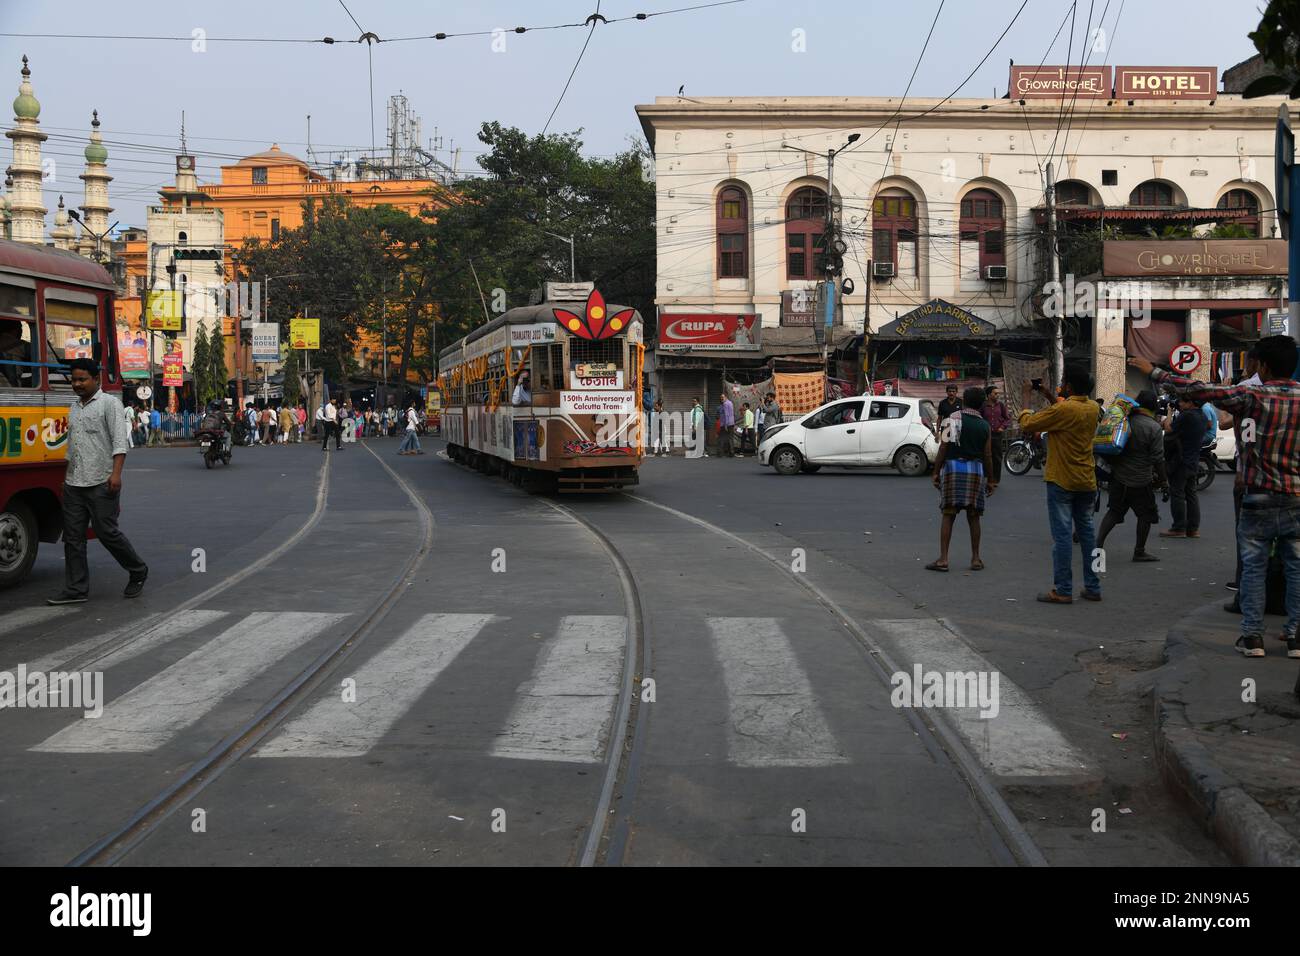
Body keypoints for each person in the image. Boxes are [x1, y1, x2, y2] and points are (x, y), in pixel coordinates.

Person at [1130, 338, 1300, 659]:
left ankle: (1252, 638)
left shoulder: (1251, 395)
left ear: (1262, 366)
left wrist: (1156, 373)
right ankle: (1294, 639)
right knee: (1295, 566)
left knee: (1253, 567)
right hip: (1296, 497)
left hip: (1257, 495)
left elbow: (1201, 390)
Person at [46, 359, 148, 604]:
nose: (78, 384)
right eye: (75, 380)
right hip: (74, 483)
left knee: (106, 532)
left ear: (96, 380)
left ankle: (137, 570)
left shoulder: (110, 404)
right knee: (72, 538)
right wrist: (66, 478)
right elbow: (73, 446)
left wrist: (116, 475)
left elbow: (119, 443)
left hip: (102, 481)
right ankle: (76, 589)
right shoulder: (74, 407)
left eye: (83, 379)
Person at [1019, 364, 1103, 604]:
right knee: (1088, 535)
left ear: (1068, 386)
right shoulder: (1093, 407)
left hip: (1062, 480)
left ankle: (1064, 589)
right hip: (1087, 480)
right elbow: (1065, 412)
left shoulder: (1065, 409)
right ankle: (1093, 585)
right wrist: (1047, 395)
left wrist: (1027, 397)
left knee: (1063, 537)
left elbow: (1028, 424)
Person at [927, 386, 995, 572]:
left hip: (952, 469)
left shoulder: (952, 419)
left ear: (963, 401)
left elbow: (943, 447)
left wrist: (936, 471)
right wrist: (991, 479)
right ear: (981, 404)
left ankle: (943, 559)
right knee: (974, 516)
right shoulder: (985, 426)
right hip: (975, 470)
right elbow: (988, 455)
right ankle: (975, 558)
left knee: (948, 514)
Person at [1095, 390, 1167, 562]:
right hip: (1141, 480)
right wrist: (1164, 481)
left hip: (1118, 477)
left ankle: (1098, 545)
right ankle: (1139, 551)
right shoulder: (1154, 428)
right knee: (1145, 515)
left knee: (1113, 512)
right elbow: (1158, 458)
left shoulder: (1125, 420)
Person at [1160, 394, 1208, 538]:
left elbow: (1168, 428)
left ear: (1191, 402)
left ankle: (1179, 528)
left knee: (1177, 494)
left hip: (1180, 461)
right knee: (1191, 494)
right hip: (1194, 460)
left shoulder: (1186, 416)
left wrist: (1169, 412)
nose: (1179, 403)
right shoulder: (1202, 416)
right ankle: (1193, 529)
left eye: (1182, 401)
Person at [981, 385, 1011, 483]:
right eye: (995, 393)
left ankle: (995, 480)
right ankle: (987, 477)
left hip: (997, 435)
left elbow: (1007, 418)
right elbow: (979, 418)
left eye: (998, 393)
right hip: (985, 435)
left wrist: (1002, 427)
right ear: (989, 395)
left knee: (997, 457)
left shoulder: (1001, 405)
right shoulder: (983, 405)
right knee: (985, 456)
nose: (997, 395)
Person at [718, 392, 735, 457]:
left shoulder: (725, 404)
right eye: (721, 397)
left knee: (722, 438)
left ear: (726, 397)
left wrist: (726, 425)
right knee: (730, 438)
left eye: (723, 397)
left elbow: (726, 415)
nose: (721, 398)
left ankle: (720, 453)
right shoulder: (730, 403)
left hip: (726, 424)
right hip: (731, 423)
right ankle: (731, 452)